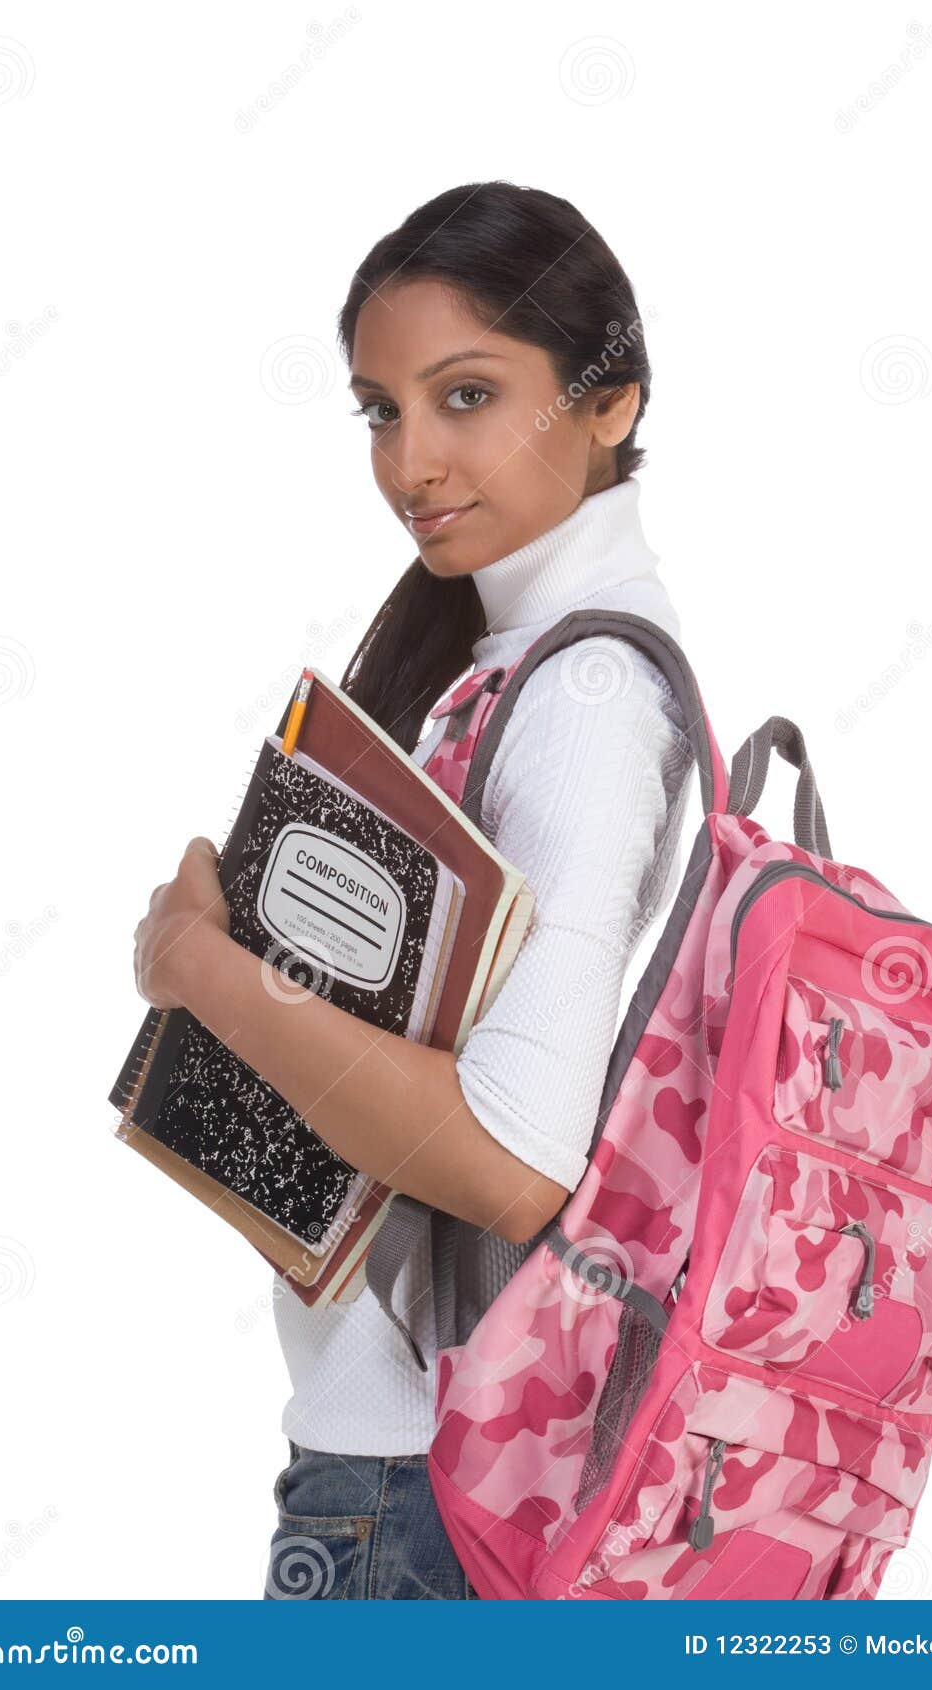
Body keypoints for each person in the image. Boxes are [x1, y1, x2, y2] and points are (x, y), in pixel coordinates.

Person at [132, 180, 696, 1599]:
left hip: (423, 1492)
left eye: (466, 396)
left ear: (611, 401)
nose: (411, 461)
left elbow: (510, 1159)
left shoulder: (587, 698)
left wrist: (204, 972)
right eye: (380, 410)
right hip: (413, 1475)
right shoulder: (501, 656)